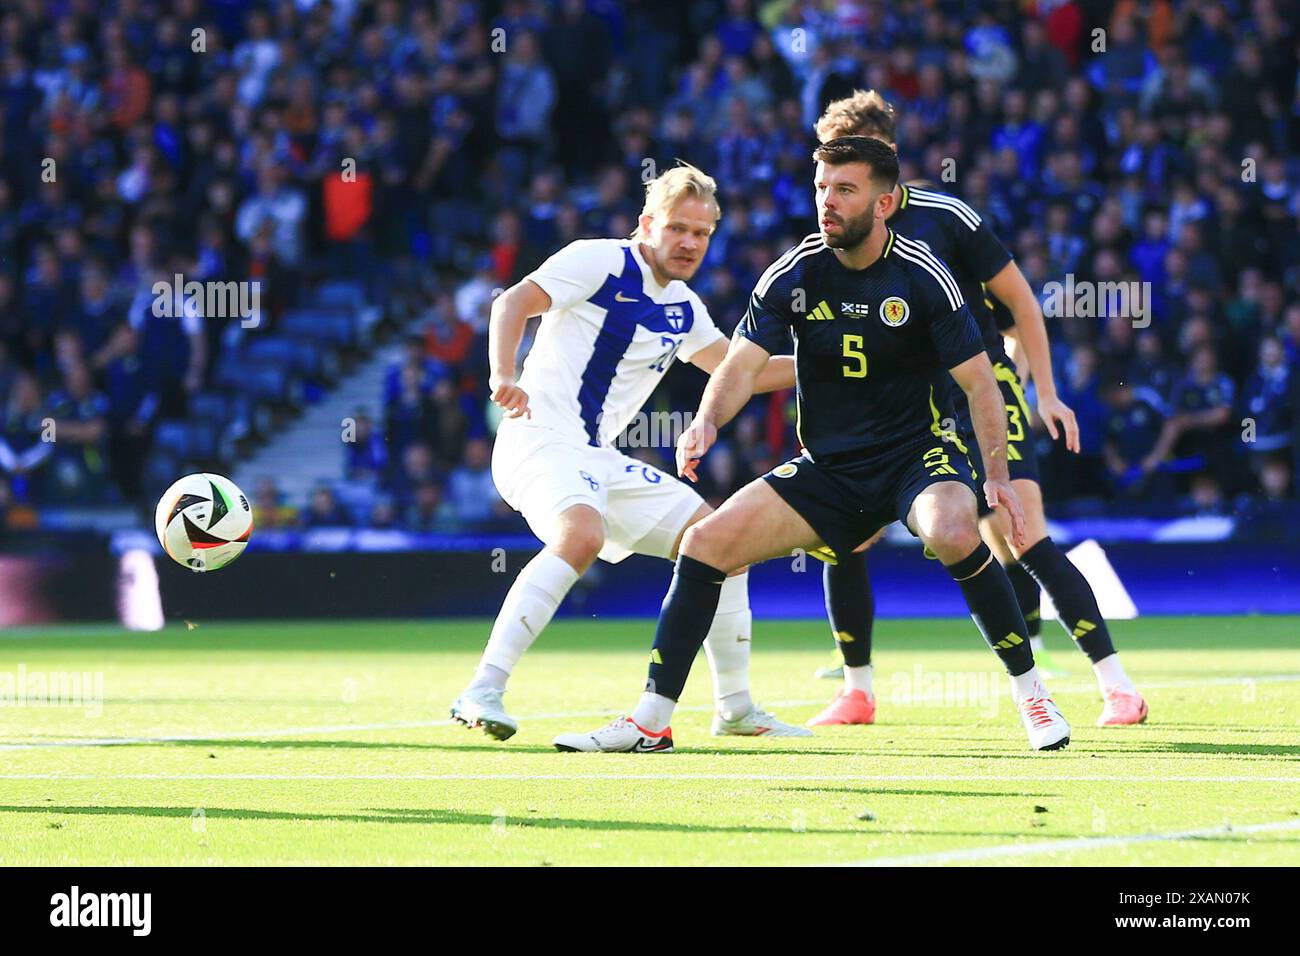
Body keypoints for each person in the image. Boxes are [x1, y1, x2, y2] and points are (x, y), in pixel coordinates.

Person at [553, 137, 1071, 753]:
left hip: (916, 457)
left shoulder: (924, 275)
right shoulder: (793, 273)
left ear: (884, 204)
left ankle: (1031, 693)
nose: (826, 202)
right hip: (829, 468)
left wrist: (995, 478)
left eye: (844, 190)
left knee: (954, 530)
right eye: (821, 187)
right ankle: (650, 721)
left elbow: (981, 384)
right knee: (705, 542)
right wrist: (706, 422)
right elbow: (741, 366)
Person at [807, 91, 1146, 729]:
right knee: (845, 532)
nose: (835, 187)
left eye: (855, 164)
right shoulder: (832, 235)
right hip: (902, 406)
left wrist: (1045, 391)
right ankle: (857, 689)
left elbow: (1021, 300)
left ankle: (1117, 685)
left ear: (888, 159)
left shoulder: (947, 217)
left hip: (982, 387)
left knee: (1021, 535)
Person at [450, 163, 806, 741]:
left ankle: (736, 709)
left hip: (598, 456)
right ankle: (483, 686)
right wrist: (500, 374)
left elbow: (735, 370)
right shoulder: (599, 261)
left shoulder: (686, 307)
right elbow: (511, 303)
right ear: (647, 224)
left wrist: (831, 365)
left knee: (723, 542)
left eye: (702, 232)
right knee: (581, 535)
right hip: (536, 437)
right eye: (678, 229)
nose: (690, 242)